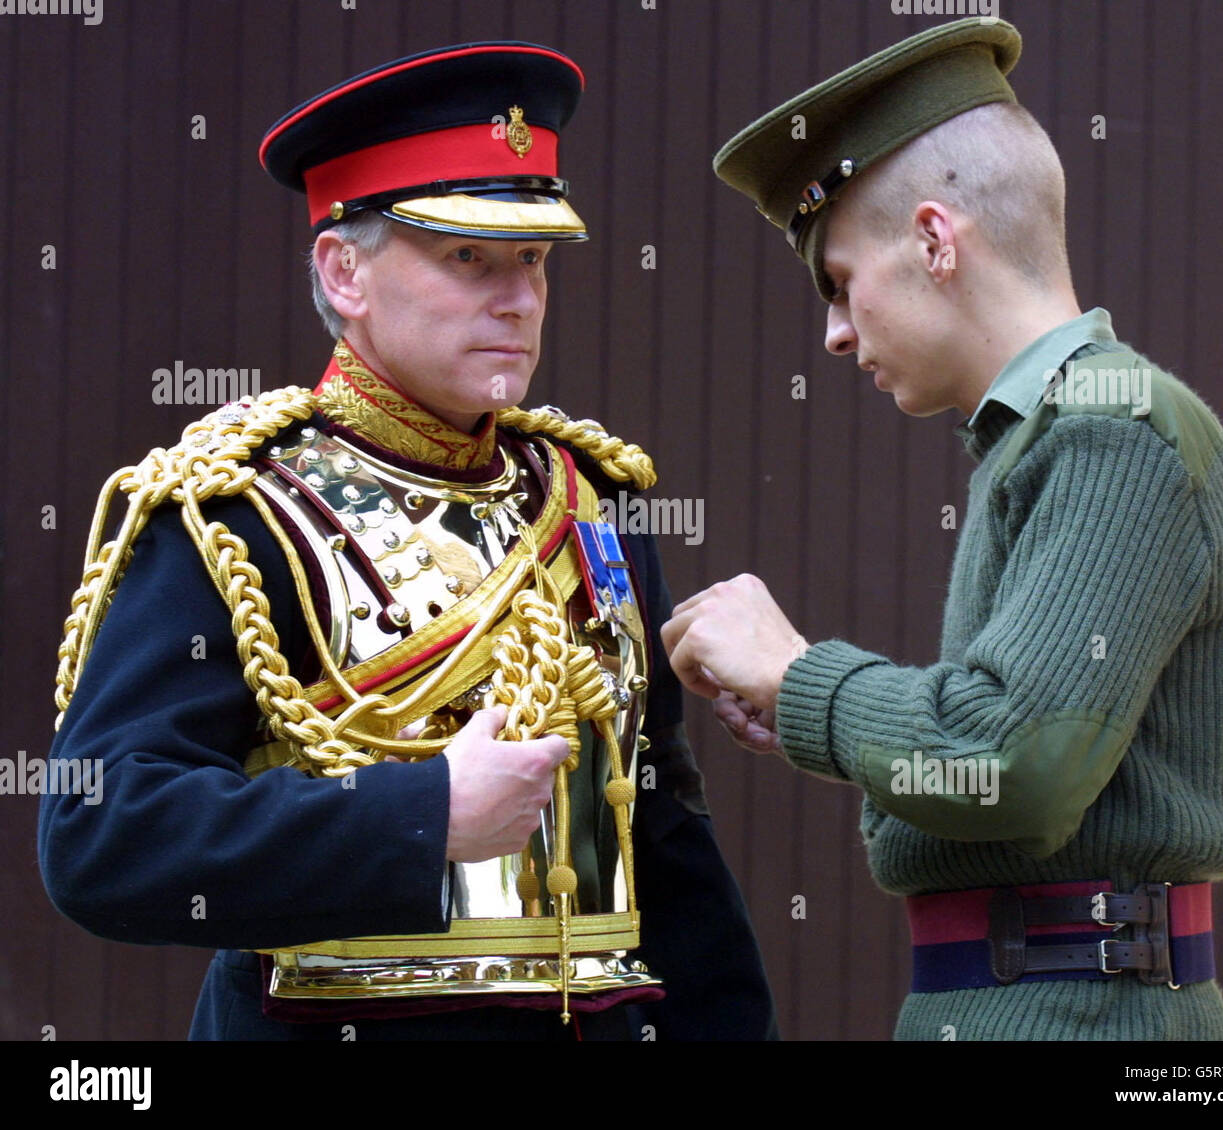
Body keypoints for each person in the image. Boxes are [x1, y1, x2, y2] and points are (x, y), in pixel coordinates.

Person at [39, 41, 776, 1042]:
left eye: (531, 259)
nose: (516, 296)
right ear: (344, 271)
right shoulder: (230, 509)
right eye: (469, 256)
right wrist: (423, 813)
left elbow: (659, 838)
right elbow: (101, 835)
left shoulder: (590, 502)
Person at [662, 17, 1223, 1040]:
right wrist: (820, 710)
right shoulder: (1054, 437)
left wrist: (799, 673)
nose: (835, 330)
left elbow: (1012, 764)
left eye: (842, 279)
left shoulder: (1108, 431)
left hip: (1079, 1012)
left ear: (936, 240)